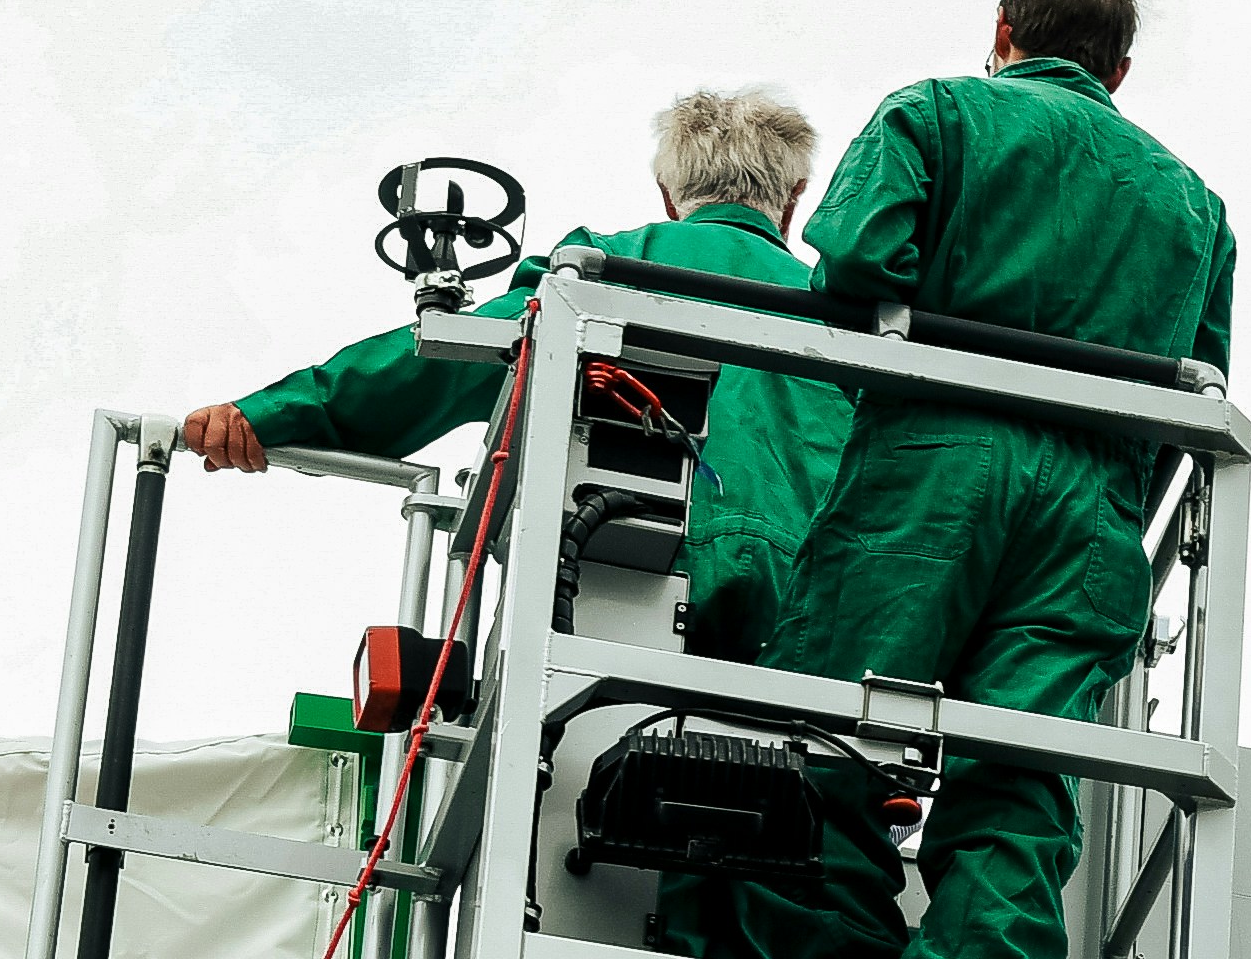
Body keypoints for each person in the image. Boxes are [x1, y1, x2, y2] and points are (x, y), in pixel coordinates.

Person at [724, 0, 1239, 959]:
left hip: (932, 466)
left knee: (833, 720)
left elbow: (859, 263)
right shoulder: (1195, 205)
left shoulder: (934, 114)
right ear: (1122, 67)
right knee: (1023, 769)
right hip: (1091, 511)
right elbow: (1202, 383)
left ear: (1004, 27)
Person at [182, 85, 855, 659]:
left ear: (670, 194)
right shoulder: (853, 321)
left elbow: (441, 358)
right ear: (793, 199)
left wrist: (270, 415)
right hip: (817, 601)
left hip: (627, 584)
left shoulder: (599, 270)